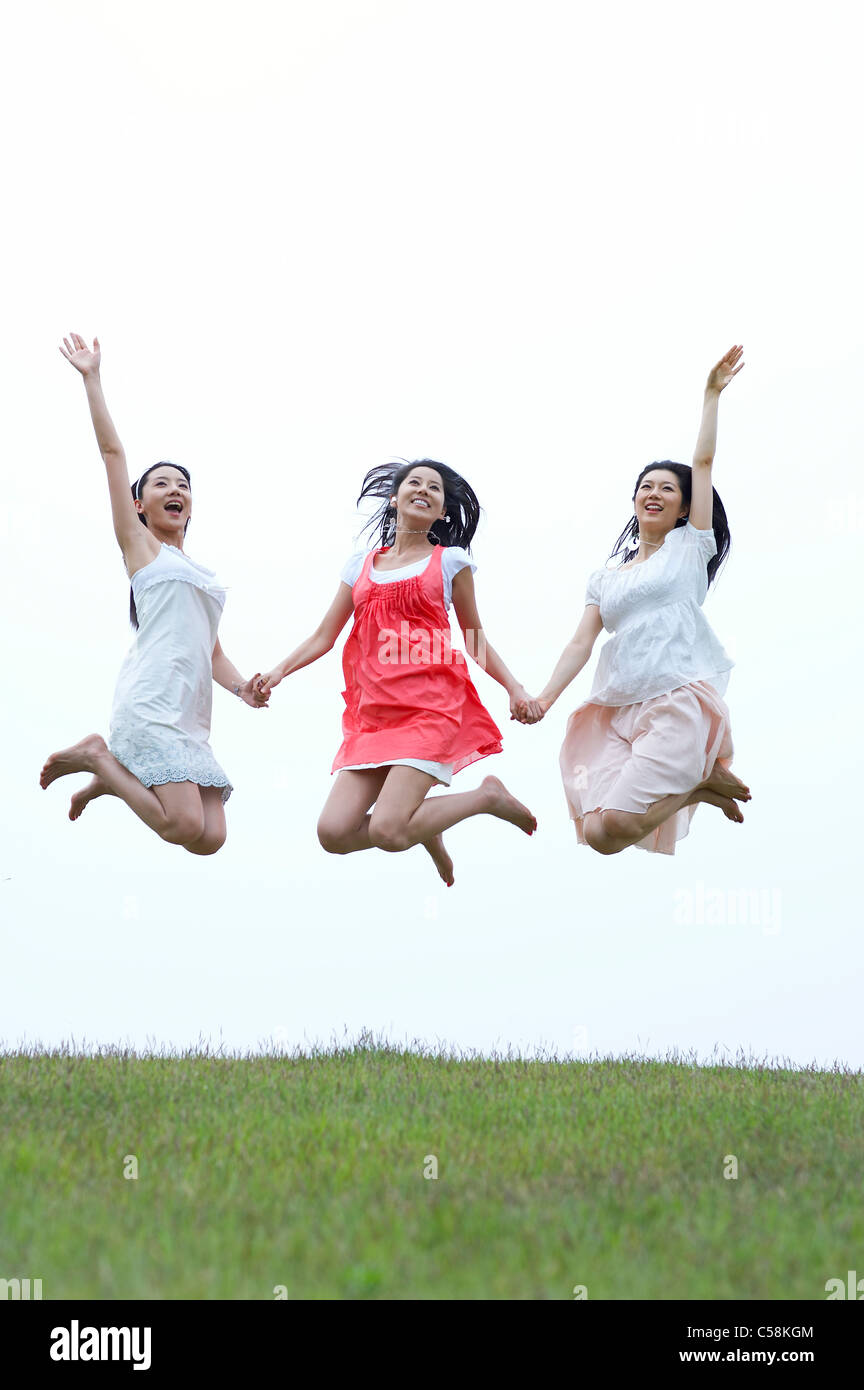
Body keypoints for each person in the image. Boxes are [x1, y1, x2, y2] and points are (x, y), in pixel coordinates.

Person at [256, 459, 539, 885]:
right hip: (373, 716)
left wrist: (514, 688)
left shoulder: (450, 564)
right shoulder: (361, 565)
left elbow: (475, 640)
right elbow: (323, 636)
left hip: (430, 708)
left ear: (442, 511)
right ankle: (427, 828)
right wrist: (278, 671)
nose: (424, 489)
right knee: (332, 832)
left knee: (388, 830)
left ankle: (486, 797)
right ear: (395, 499)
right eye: (414, 483)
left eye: (435, 488)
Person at [516, 346, 750, 855]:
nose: (655, 492)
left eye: (669, 489)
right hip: (618, 706)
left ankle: (698, 782)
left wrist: (711, 394)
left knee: (618, 826)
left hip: (675, 697)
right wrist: (544, 698)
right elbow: (580, 644)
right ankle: (702, 785)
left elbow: (703, 461)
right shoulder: (604, 577)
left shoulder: (690, 547)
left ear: (684, 506)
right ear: (634, 501)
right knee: (600, 836)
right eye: (646, 486)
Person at [40, 333, 268, 854]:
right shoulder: (142, 549)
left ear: (192, 506)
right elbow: (113, 454)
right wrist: (91, 378)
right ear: (139, 505)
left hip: (191, 717)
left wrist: (243, 691)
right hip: (151, 703)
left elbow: (212, 651)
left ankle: (111, 777)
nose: (175, 491)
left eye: (183, 486)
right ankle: (100, 757)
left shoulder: (202, 575)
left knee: (210, 839)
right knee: (185, 826)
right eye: (161, 484)